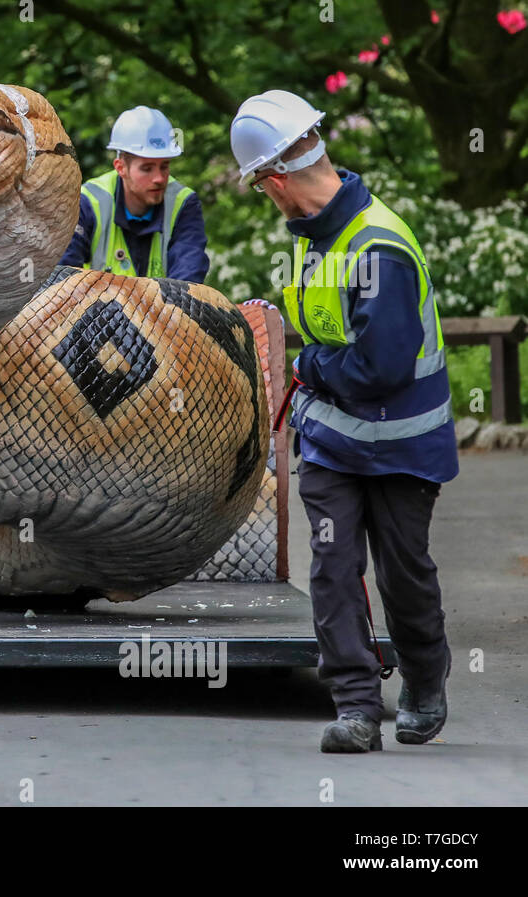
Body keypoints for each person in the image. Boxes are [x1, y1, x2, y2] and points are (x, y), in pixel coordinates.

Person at [230, 89, 458, 753]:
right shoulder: (317, 234)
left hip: (403, 447)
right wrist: (320, 379)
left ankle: (424, 678)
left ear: (274, 179)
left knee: (402, 571)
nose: (265, 199)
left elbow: (381, 367)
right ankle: (357, 703)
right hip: (333, 441)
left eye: (260, 188)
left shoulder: (377, 248)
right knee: (332, 566)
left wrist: (314, 368)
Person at [60, 105, 209, 282]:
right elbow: (63, 281)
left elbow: (189, 281)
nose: (159, 178)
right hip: (94, 309)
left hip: (167, 310)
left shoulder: (184, 203)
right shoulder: (87, 203)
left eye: (164, 166)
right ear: (121, 168)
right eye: (147, 169)